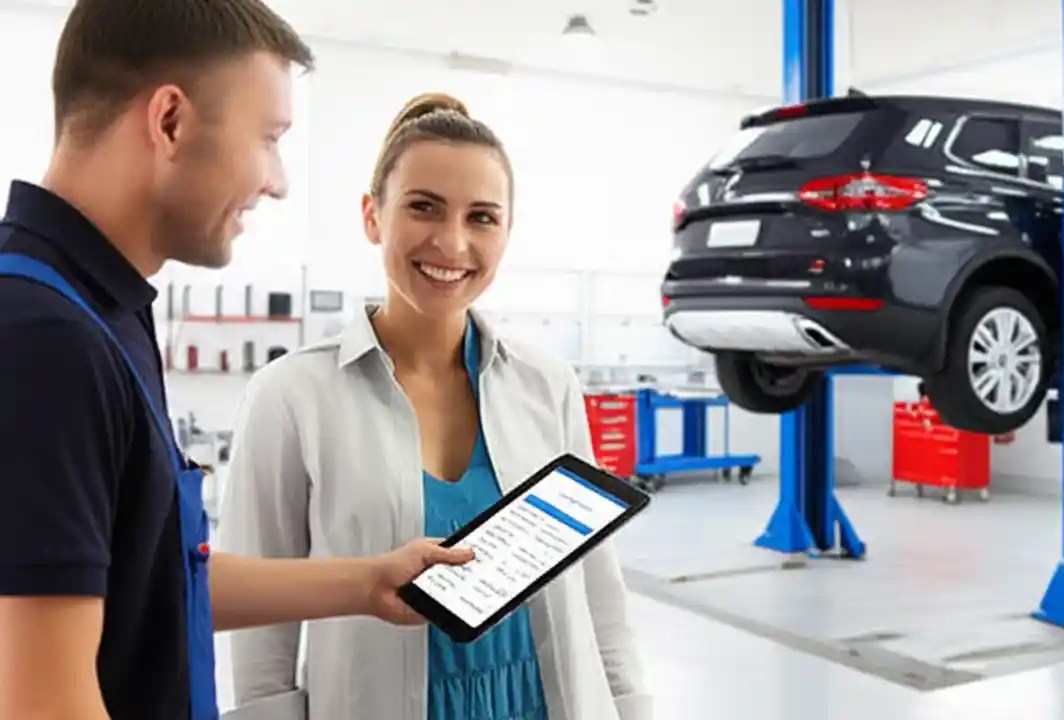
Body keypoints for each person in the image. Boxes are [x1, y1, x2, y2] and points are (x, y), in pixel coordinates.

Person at [0, 3, 473, 720]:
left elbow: (151, 578)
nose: (277, 180)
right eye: (269, 138)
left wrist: (370, 581)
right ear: (170, 122)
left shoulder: (105, 310)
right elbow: (44, 702)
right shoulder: (45, 339)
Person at [218, 92, 652, 720]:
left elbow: (596, 586)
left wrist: (632, 707)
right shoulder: (292, 396)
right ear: (373, 216)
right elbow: (260, 633)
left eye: (482, 217)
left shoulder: (545, 382)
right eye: (424, 208)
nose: (452, 243)